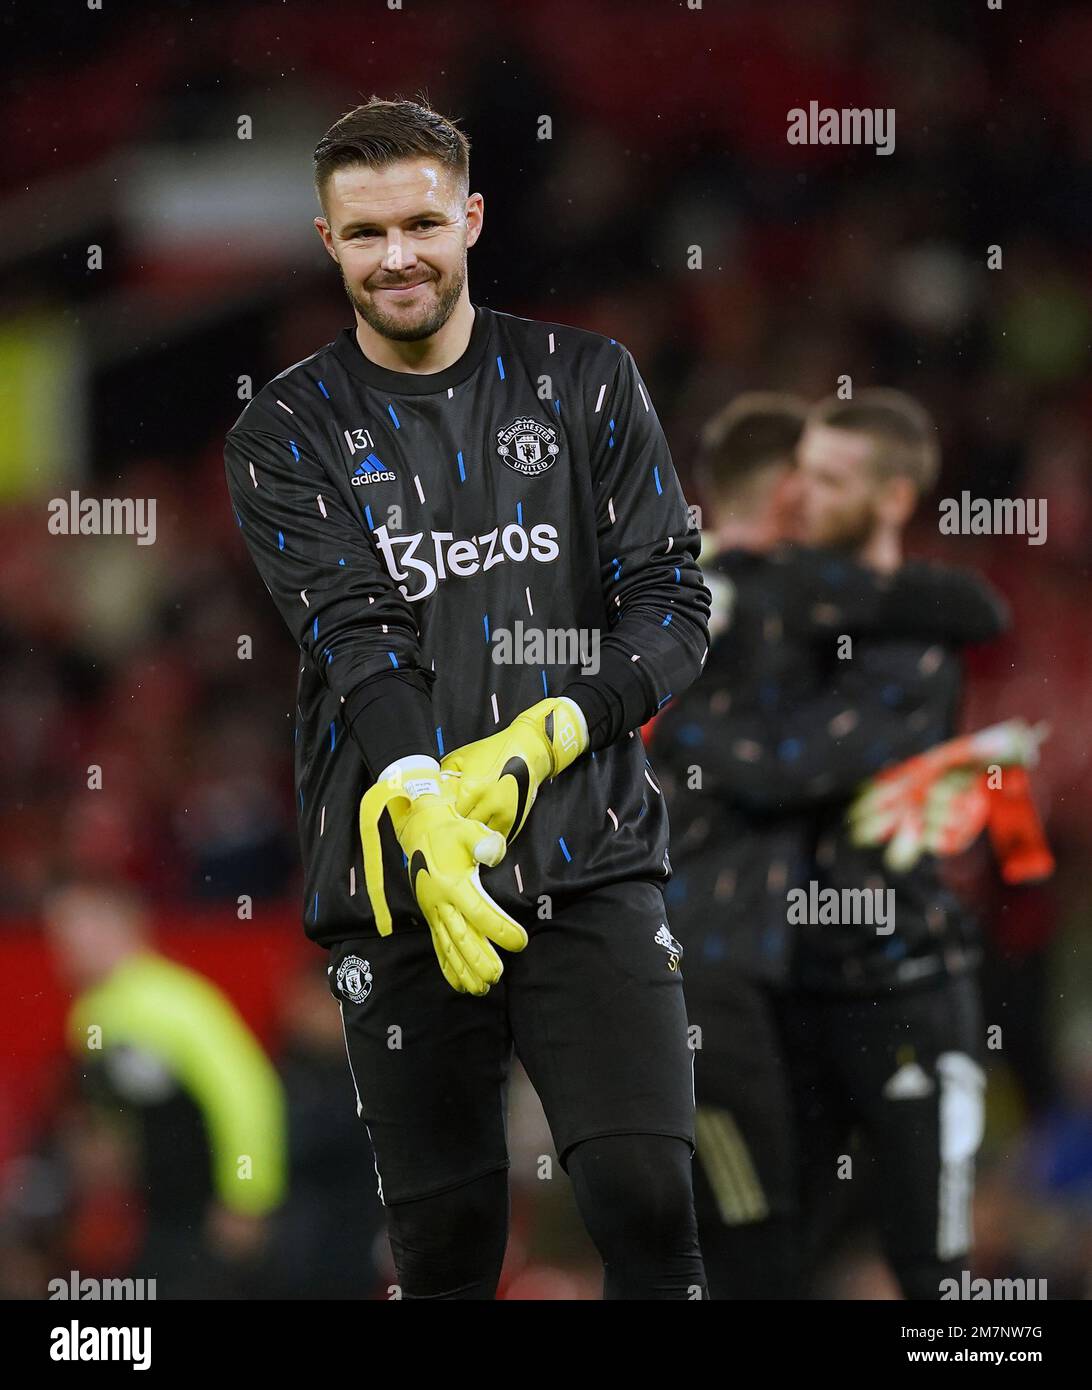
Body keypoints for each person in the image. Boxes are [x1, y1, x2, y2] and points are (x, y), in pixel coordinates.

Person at [223, 96, 712, 1300]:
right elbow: (354, 629)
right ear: (328, 241)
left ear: (473, 218)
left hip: (586, 850)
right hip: (398, 876)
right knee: (444, 1253)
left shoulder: (589, 378)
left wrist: (554, 730)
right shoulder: (284, 428)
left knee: (647, 1196)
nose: (400, 256)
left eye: (424, 222)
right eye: (368, 231)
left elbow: (672, 603)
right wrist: (422, 798)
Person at [652, 390, 1009, 1298]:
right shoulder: (768, 608)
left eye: (828, 477)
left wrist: (692, 733)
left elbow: (791, 766)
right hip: (778, 988)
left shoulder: (915, 644)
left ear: (891, 498)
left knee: (936, 1268)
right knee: (765, 1257)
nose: (800, 493)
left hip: (901, 980)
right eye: (799, 471)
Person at [42, 876, 287, 1298]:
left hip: (208, 1207)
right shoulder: (89, 1015)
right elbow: (115, 1115)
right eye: (58, 934)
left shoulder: (172, 1001)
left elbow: (246, 1093)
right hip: (157, 1208)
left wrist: (248, 1195)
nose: (65, 946)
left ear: (122, 924)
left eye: (76, 929)